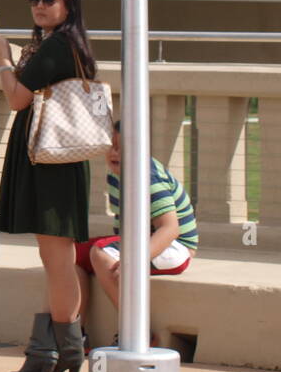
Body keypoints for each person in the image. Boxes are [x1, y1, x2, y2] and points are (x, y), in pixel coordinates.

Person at [0, 0, 96, 372]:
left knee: (57, 261)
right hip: (54, 161)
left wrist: (1, 60)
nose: (40, 6)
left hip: (53, 164)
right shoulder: (61, 44)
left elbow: (16, 99)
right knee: (54, 260)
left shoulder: (58, 46)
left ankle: (67, 350)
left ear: (68, 4)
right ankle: (46, 352)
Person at [76, 121, 198, 326]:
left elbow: (170, 229)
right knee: (71, 254)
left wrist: (136, 261)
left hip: (174, 248)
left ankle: (137, 334)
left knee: (101, 253)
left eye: (123, 147)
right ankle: (74, 336)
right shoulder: (117, 174)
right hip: (144, 242)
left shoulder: (148, 177)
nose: (114, 153)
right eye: (111, 145)